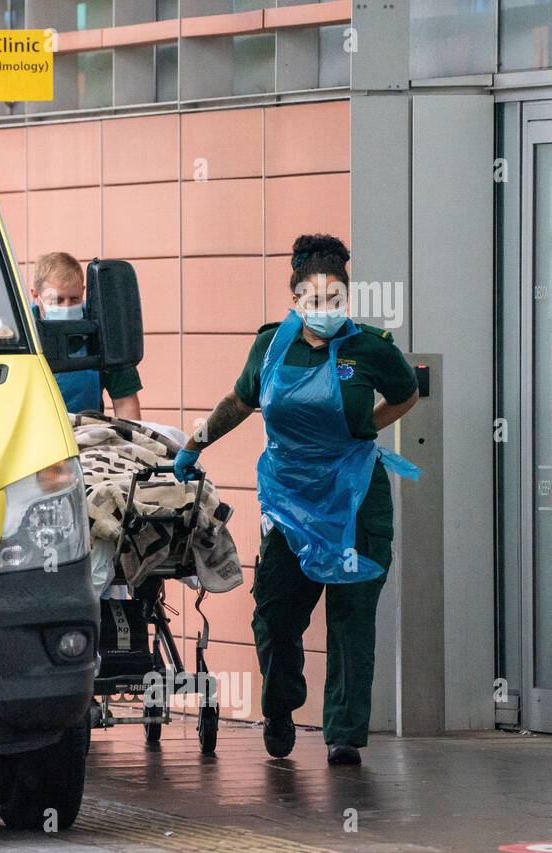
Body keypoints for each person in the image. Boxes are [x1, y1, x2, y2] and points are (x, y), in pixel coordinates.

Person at [172, 234, 420, 766]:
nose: (324, 309)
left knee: (352, 619)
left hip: (355, 501)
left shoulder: (371, 348)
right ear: (294, 300)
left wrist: (363, 428)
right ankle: (281, 706)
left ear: (346, 300)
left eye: (335, 300)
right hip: (292, 504)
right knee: (276, 614)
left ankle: (343, 735)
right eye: (312, 300)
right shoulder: (271, 346)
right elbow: (240, 402)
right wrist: (194, 444)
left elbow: (406, 393)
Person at [30, 252, 142, 419]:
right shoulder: (21, 336)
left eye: (74, 299)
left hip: (88, 436)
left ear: (83, 292)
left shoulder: (105, 334)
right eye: (57, 300)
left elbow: (125, 401)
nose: (66, 307)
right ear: (35, 296)